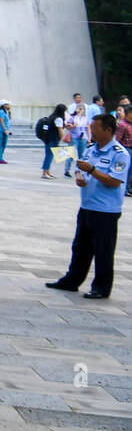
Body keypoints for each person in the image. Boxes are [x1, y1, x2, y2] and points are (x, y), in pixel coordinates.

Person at [46, 113, 129, 299]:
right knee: (80, 247)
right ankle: (72, 280)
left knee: (103, 250)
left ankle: (102, 287)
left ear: (108, 130)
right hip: (87, 206)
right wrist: (79, 176)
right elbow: (80, 167)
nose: (92, 131)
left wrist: (91, 170)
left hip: (106, 211)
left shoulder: (119, 153)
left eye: (96, 128)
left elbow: (115, 181)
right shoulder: (91, 149)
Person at [38, 103, 66, 180]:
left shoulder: (52, 117)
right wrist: (62, 138)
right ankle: (45, 173)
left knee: (49, 155)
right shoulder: (59, 119)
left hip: (48, 139)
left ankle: (47, 172)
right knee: (49, 156)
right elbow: (60, 130)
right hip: (53, 139)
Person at [64, 94, 89, 178]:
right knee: (71, 154)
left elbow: (88, 128)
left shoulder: (85, 118)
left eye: (81, 109)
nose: (79, 110)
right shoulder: (73, 117)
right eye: (78, 108)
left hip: (83, 137)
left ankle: (79, 170)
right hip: (74, 137)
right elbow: (67, 126)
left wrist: (89, 138)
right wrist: (73, 125)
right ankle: (67, 170)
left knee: (81, 155)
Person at [116, 106, 132, 196]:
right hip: (127, 149)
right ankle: (126, 189)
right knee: (127, 170)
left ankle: (130, 188)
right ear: (128, 113)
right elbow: (118, 139)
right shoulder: (122, 125)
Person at [0, 100, 12, 164]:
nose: (9, 105)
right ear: (4, 105)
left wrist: (10, 113)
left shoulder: (5, 112)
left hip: (5, 130)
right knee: (1, 145)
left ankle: (0, 159)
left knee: (3, 145)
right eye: (7, 104)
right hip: (2, 131)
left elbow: (8, 120)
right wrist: (5, 129)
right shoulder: (1, 112)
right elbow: (1, 121)